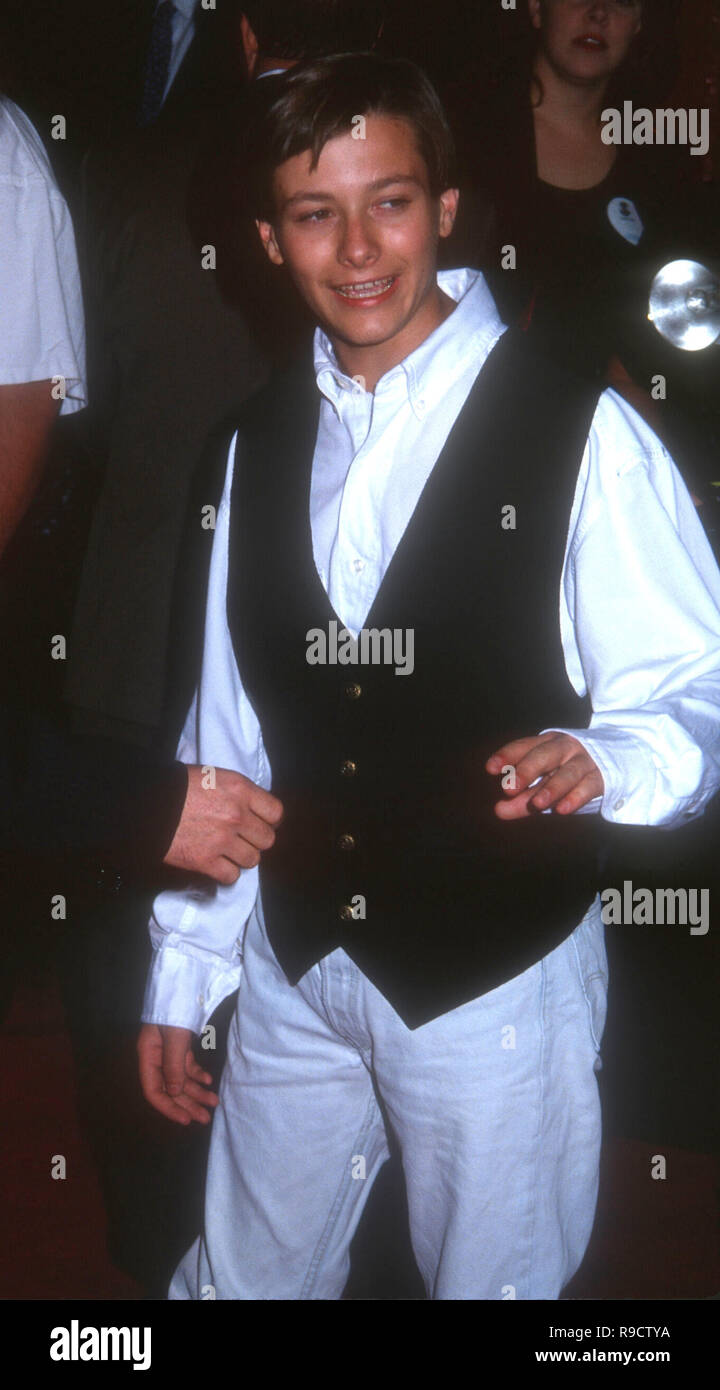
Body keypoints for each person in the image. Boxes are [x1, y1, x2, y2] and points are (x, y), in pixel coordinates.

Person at [136, 52, 720, 1300]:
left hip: (493, 978)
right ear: (265, 238)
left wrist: (610, 756)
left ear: (446, 206)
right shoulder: (251, 441)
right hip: (298, 969)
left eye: (389, 200)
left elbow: (691, 683)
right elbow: (227, 734)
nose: (358, 247)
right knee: (240, 1282)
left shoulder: (577, 419)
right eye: (314, 213)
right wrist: (188, 966)